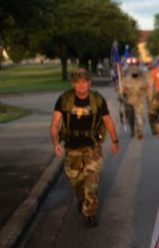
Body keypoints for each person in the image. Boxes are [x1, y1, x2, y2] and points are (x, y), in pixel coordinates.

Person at [49, 68, 119, 226]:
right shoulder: (65, 99)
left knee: (92, 181)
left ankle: (89, 212)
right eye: (78, 82)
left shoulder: (97, 100)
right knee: (76, 181)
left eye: (84, 82)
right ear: (73, 83)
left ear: (89, 82)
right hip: (72, 147)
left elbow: (107, 121)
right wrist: (55, 143)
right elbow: (55, 123)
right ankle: (82, 200)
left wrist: (115, 141)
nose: (81, 85)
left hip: (92, 147)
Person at [121, 64, 150, 139]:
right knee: (131, 117)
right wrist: (121, 94)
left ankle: (139, 130)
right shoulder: (125, 80)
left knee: (139, 116)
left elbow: (147, 89)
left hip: (139, 101)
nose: (135, 74)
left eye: (136, 73)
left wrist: (148, 98)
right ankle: (132, 129)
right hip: (129, 101)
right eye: (133, 73)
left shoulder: (142, 80)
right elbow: (120, 90)